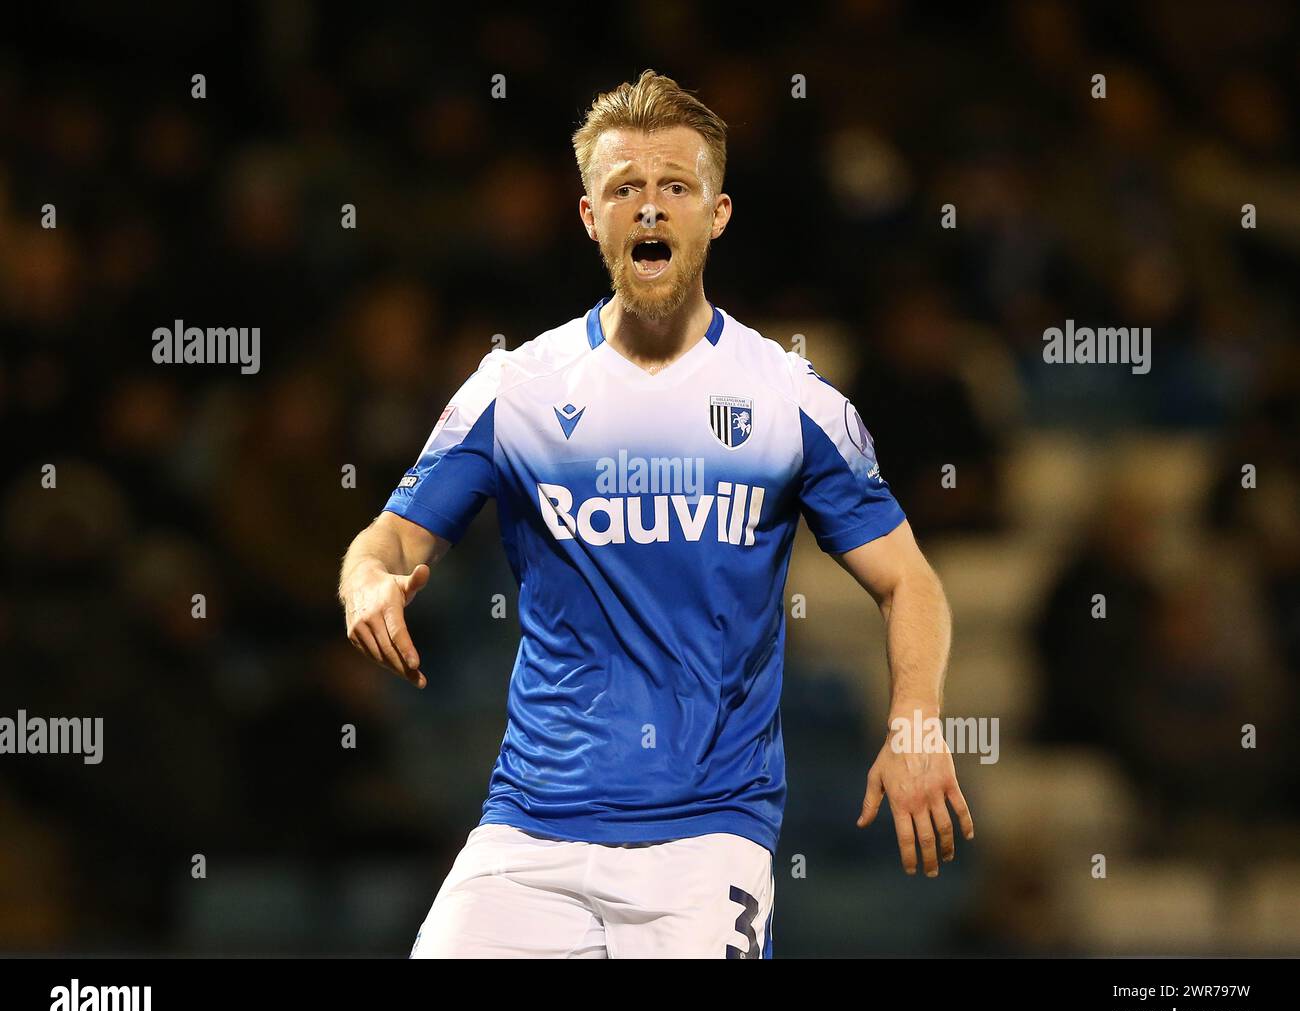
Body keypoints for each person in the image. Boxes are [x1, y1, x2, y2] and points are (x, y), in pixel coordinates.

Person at [338, 69, 973, 958]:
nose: (649, 208)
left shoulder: (790, 402)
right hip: (529, 830)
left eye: (675, 186)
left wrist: (914, 724)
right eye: (623, 188)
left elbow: (908, 579)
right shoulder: (514, 391)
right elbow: (394, 533)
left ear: (716, 213)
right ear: (589, 217)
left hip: (706, 839)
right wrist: (367, 579)